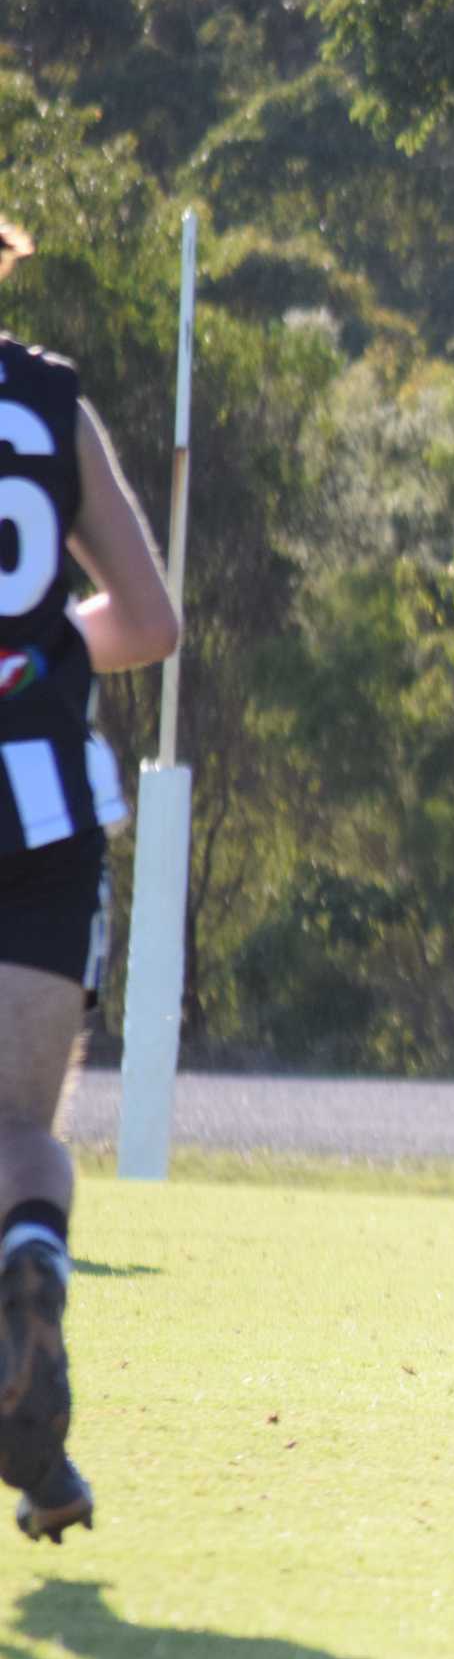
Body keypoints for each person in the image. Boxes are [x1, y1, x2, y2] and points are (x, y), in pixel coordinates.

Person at [0, 220, 183, 1542]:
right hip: (47, 803)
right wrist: (44, 643)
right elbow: (151, 622)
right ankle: (34, 1289)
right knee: (19, 1137)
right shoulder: (51, 398)